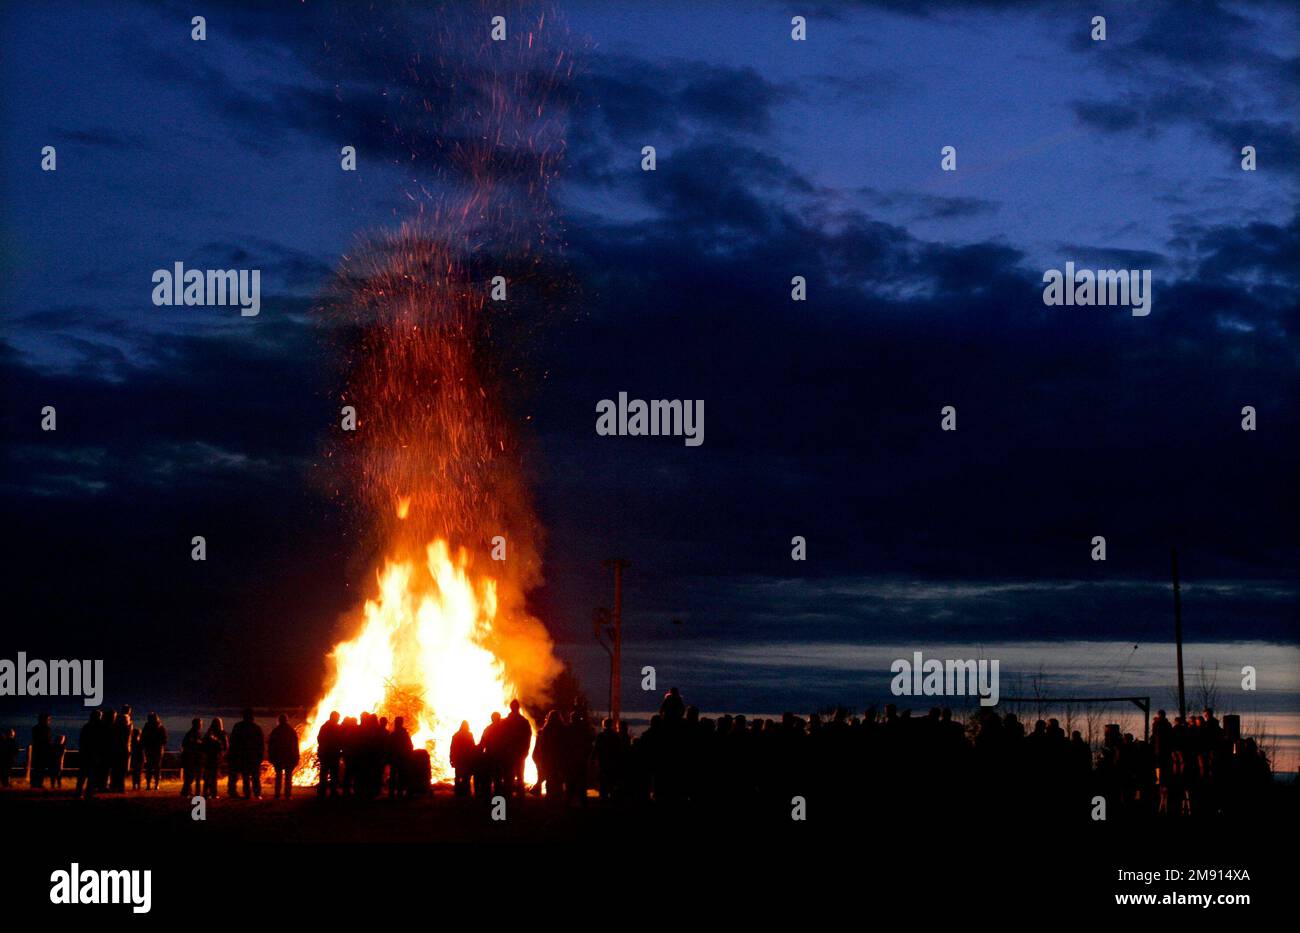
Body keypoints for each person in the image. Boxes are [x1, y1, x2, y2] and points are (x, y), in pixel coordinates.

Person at [229, 709, 265, 799]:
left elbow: (233, 742)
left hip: (244, 756)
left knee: (246, 776)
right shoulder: (256, 728)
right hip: (252, 756)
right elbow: (261, 744)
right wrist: (260, 755)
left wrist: (234, 754)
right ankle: (256, 794)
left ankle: (248, 794)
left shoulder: (238, 726)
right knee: (255, 776)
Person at [502, 700, 532, 797]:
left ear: (511, 707)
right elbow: (528, 737)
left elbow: (501, 738)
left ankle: (508, 800)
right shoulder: (524, 721)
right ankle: (520, 800)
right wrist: (525, 751)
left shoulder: (505, 722)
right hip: (519, 754)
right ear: (518, 708)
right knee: (520, 777)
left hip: (508, 754)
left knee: (508, 777)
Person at [267, 714, 299, 799]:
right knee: (288, 777)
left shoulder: (275, 731)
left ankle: (277, 794)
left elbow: (271, 745)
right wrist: (296, 757)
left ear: (279, 721)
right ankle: (287, 795)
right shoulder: (291, 731)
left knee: (278, 776)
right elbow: (295, 745)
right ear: (286, 720)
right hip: (289, 757)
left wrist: (270, 756)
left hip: (278, 757)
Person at [317, 711, 342, 797]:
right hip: (332, 753)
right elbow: (340, 740)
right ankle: (332, 791)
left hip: (326, 753)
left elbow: (319, 739)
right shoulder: (336, 728)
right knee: (333, 773)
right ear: (334, 717)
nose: (338, 719)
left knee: (325, 772)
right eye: (337, 718)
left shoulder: (324, 727)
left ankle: (323, 791)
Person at [449, 720, 477, 797]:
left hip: (458, 760)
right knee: (466, 778)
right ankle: (466, 793)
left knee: (458, 776)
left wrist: (451, 759)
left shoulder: (456, 735)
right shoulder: (469, 735)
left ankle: (458, 793)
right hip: (467, 760)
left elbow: (452, 748)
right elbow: (472, 747)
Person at [141, 713, 167, 790]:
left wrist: (145, 746)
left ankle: (149, 785)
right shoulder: (160, 727)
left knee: (150, 768)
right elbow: (165, 739)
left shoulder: (147, 727)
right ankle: (156, 785)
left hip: (150, 750)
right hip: (157, 750)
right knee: (156, 768)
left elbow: (143, 738)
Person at [202, 717, 228, 798]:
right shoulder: (222, 733)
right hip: (215, 757)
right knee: (213, 776)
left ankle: (206, 792)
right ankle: (213, 793)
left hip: (209, 756)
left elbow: (204, 744)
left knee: (208, 775)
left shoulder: (209, 733)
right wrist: (222, 752)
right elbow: (226, 745)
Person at [388, 716, 412, 797]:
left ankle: (392, 793)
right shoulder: (404, 734)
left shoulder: (394, 734)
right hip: (402, 758)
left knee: (393, 775)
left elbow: (389, 746)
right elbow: (410, 746)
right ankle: (399, 792)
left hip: (396, 758)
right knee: (401, 775)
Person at [180, 718, 203, 797]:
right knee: (190, 776)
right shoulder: (193, 733)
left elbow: (184, 745)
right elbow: (188, 744)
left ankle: (186, 791)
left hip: (191, 758)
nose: (201, 725)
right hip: (191, 758)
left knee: (190, 777)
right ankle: (187, 792)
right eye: (200, 724)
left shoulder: (192, 733)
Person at [30, 713, 52, 788]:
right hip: (43, 751)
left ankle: (34, 783)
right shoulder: (46, 729)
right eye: (48, 719)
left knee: (37, 768)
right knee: (40, 768)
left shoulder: (35, 728)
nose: (49, 721)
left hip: (36, 751)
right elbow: (48, 741)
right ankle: (38, 783)